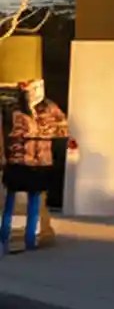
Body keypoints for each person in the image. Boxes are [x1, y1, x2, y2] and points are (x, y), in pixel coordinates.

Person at [1, 79, 71, 254]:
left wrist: (40, 132)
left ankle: (30, 239)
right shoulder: (13, 108)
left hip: (39, 161)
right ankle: (4, 238)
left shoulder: (49, 107)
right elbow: (6, 132)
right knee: (10, 201)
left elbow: (62, 128)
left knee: (34, 200)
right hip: (17, 159)